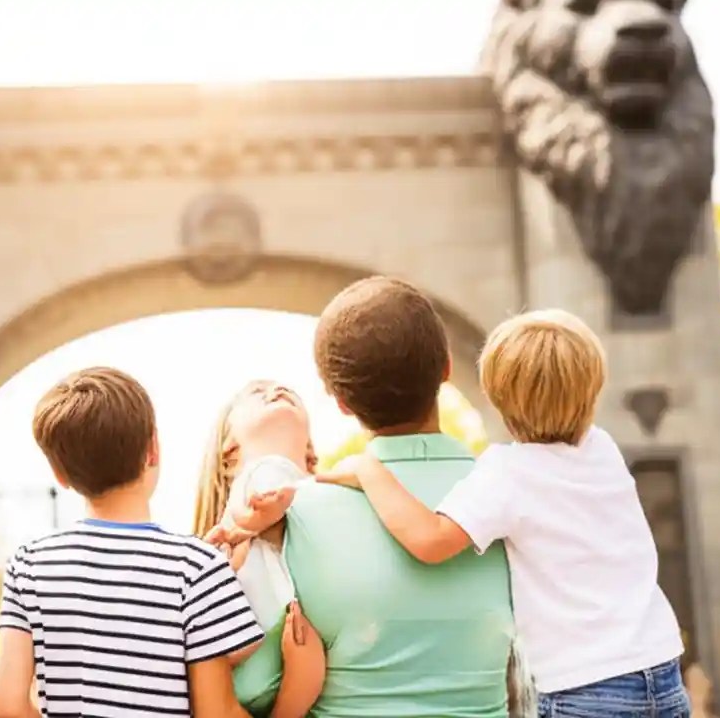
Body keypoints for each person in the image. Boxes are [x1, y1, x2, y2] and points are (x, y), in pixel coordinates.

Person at [321, 309, 691, 717]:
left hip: (586, 689)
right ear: (592, 391)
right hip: (662, 672)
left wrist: (369, 470)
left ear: (498, 399)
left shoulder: (507, 473)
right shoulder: (602, 450)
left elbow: (429, 541)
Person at [213, 277, 516, 717]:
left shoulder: (293, 516)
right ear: (446, 369)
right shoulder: (514, 501)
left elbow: (246, 687)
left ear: (341, 403)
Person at [0, 367, 315, 718]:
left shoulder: (28, 565)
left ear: (60, 474)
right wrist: (295, 695)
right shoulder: (195, 566)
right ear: (153, 449)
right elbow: (215, 713)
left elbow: (8, 708)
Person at [193, 380, 326, 716]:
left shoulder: (320, 500)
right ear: (228, 452)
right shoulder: (254, 480)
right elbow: (257, 488)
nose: (277, 390)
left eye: (289, 390)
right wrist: (251, 515)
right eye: (256, 394)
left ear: (310, 455)